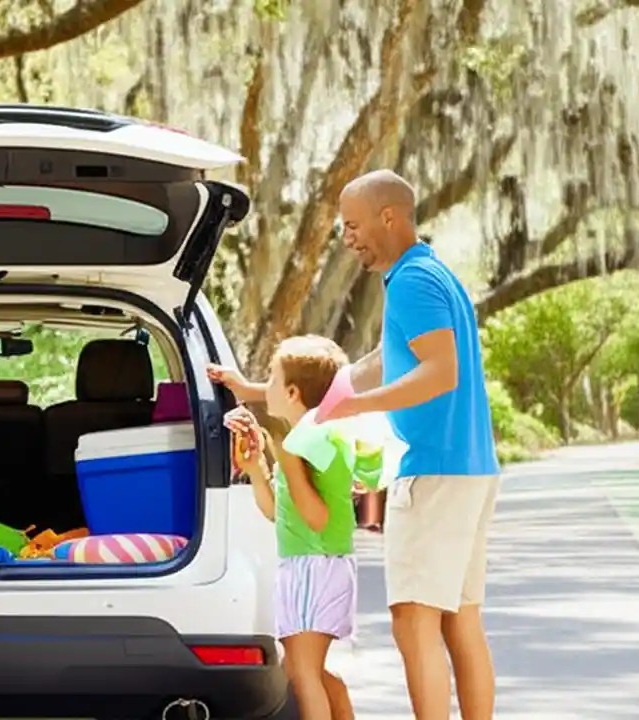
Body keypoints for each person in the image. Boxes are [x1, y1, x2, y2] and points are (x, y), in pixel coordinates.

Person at [319, 169, 501, 720]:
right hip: (470, 469)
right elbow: (385, 361)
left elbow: (440, 372)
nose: (347, 238)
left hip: (436, 472)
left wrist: (355, 408)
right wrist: (324, 393)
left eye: (353, 225)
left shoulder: (412, 283)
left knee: (412, 618)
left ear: (388, 217)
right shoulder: (430, 273)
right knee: (459, 619)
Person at [213, 335, 379, 720]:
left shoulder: (313, 441)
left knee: (303, 675)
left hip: (315, 566)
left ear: (291, 391)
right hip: (306, 564)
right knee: (306, 671)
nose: (264, 387)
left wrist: (284, 458)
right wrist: (257, 468)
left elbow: (317, 518)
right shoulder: (304, 438)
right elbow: (277, 512)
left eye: (270, 379)